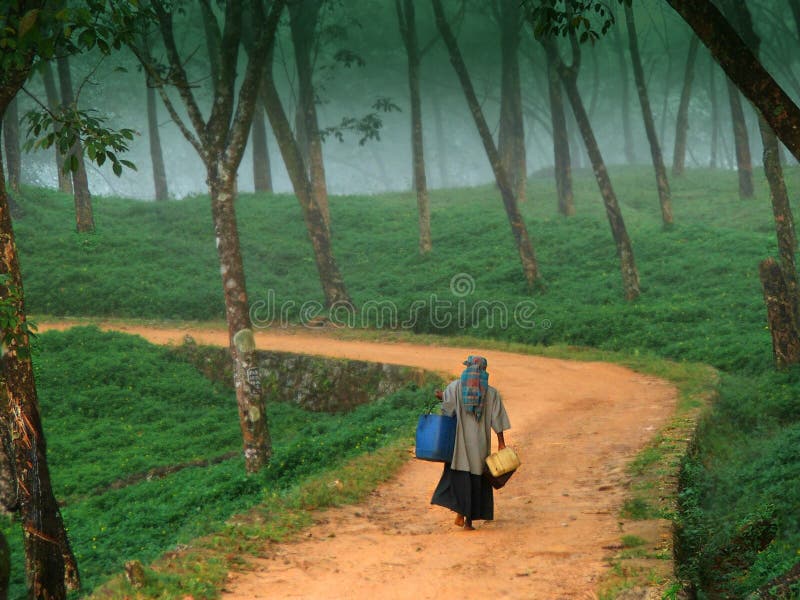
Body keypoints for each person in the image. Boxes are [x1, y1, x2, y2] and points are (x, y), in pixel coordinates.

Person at [430, 355, 511, 530]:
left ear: (468, 369)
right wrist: (501, 443)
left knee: (458, 479)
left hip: (458, 447)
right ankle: (467, 521)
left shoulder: (455, 387)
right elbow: (498, 420)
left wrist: (440, 396)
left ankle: (461, 514)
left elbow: (447, 408)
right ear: (483, 371)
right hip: (480, 448)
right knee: (476, 482)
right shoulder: (491, 393)